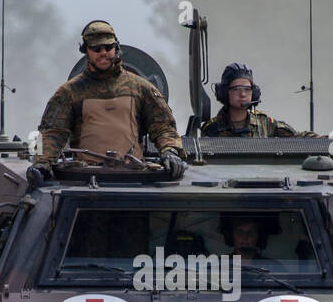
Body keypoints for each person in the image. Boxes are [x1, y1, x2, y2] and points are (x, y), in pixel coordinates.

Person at [29, 20, 184, 187]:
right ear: (86, 51)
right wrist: (41, 163)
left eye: (108, 48)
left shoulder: (141, 88)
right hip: (86, 180)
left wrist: (170, 151)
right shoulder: (69, 93)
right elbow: (51, 132)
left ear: (116, 48)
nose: (103, 53)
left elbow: (163, 125)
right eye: (96, 49)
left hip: (134, 177)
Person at [200, 63, 317, 137]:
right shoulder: (212, 129)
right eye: (236, 89)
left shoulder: (264, 123)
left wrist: (330, 140)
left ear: (254, 93)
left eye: (247, 89)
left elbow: (298, 137)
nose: (243, 94)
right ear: (225, 93)